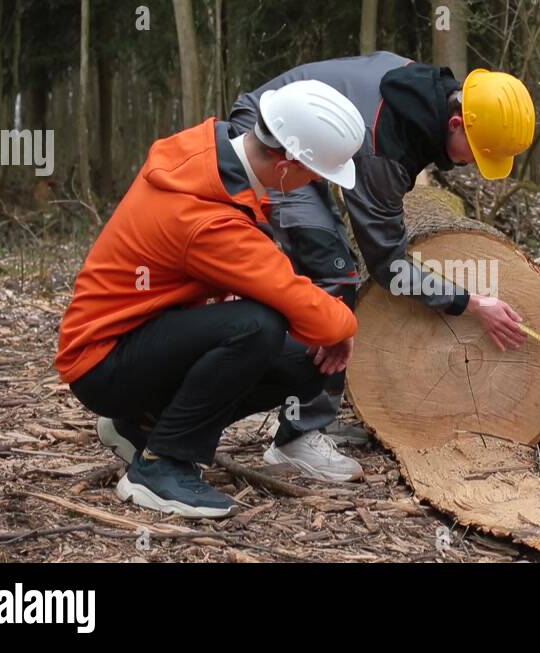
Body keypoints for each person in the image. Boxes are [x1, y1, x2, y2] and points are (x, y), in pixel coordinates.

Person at [55, 80, 365, 517]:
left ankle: (140, 424)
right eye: (314, 173)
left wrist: (325, 325)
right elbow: (303, 304)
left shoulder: (217, 162)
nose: (313, 182)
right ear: (286, 164)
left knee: (302, 361)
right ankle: (161, 468)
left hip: (141, 340)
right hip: (103, 362)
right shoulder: (205, 218)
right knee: (258, 326)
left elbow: (281, 287)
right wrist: (342, 325)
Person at [223, 52, 536, 481]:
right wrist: (469, 302)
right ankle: (297, 438)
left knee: (328, 257)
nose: (474, 164)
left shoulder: (420, 87)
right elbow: (390, 268)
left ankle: (305, 406)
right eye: (477, 153)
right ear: (456, 122)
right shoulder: (386, 146)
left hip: (290, 134)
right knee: (334, 272)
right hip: (266, 145)